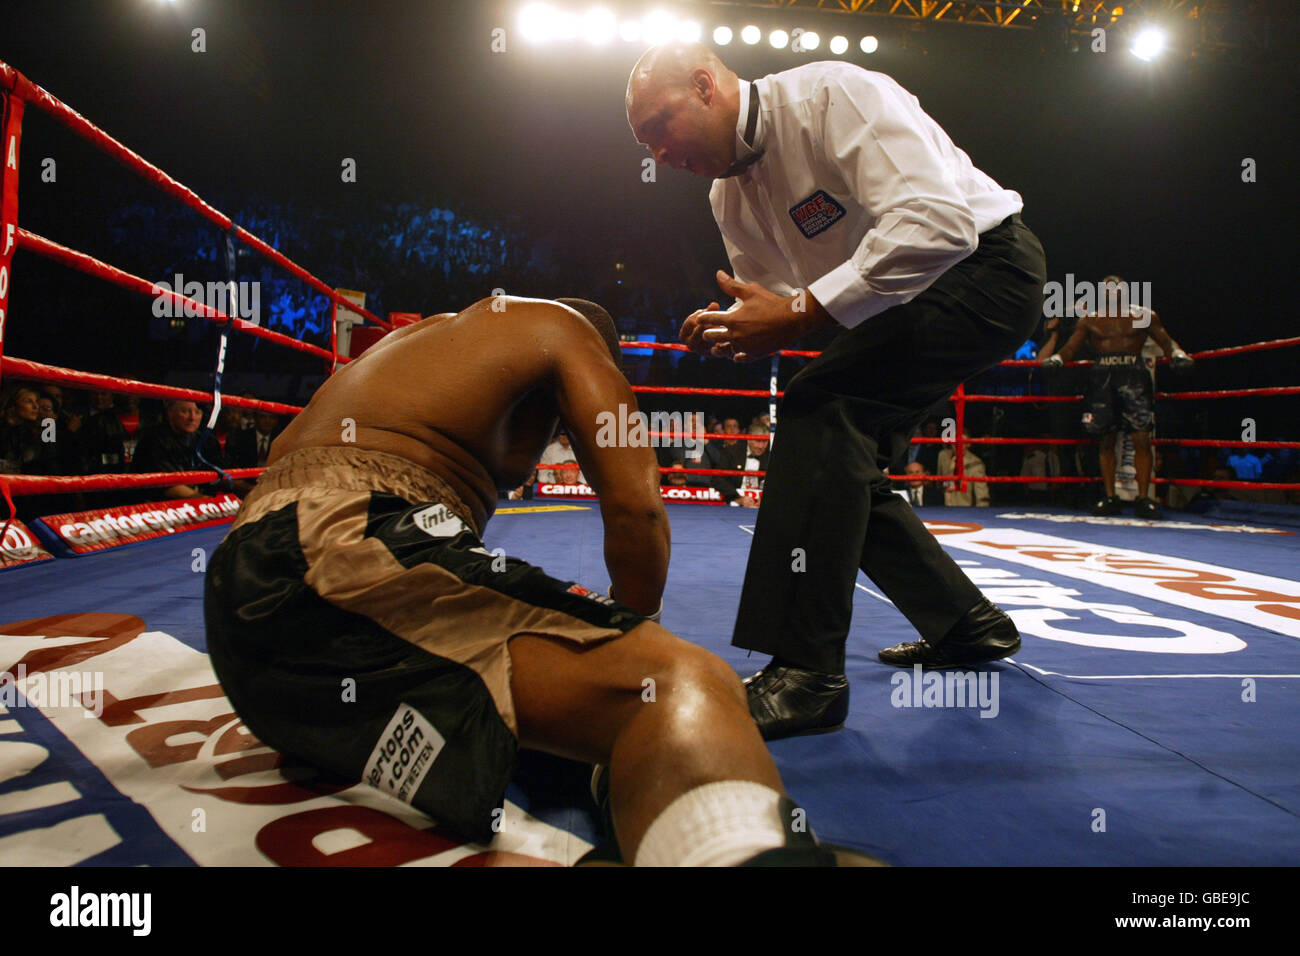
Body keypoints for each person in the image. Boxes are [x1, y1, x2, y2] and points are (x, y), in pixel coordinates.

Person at [204, 297, 840, 867]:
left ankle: (631, 784)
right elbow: (636, 508)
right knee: (676, 685)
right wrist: (630, 634)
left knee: (569, 706)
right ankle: (737, 854)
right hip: (342, 555)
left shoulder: (427, 345)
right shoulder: (563, 330)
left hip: (264, 639)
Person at [627, 43, 1044, 738]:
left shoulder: (831, 97)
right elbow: (788, 299)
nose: (659, 152)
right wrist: (743, 325)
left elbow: (939, 223)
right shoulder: (726, 196)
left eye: (661, 126)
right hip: (901, 304)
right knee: (832, 459)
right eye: (645, 144)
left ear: (705, 87)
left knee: (821, 411)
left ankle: (807, 677)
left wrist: (791, 315)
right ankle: (966, 623)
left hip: (985, 269)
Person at [1042, 277, 1192, 519]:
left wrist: (1177, 353)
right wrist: (1057, 359)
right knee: (1105, 440)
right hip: (1103, 378)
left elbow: (1166, 340)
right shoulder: (1090, 319)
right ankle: (1110, 496)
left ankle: (1144, 498)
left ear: (1125, 291)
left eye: (1117, 287)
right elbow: (1070, 347)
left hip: (1134, 376)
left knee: (1141, 437)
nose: (1112, 290)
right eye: (1107, 287)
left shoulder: (1144, 315)